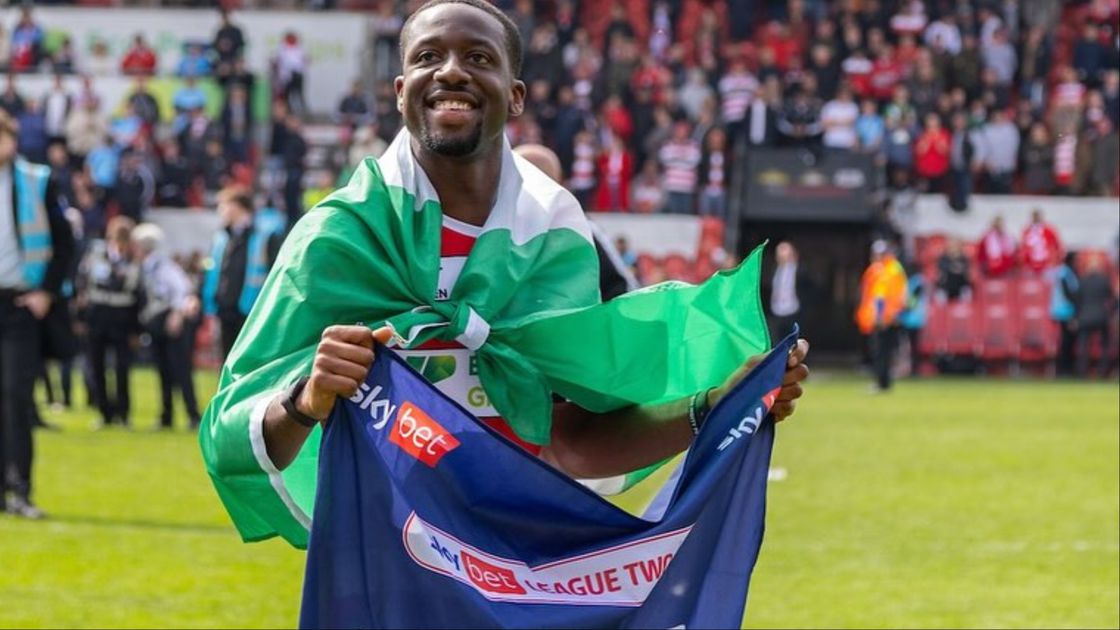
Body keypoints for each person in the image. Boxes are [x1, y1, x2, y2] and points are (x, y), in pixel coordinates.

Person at [202, 0, 809, 538]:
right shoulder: (338, 238)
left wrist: (718, 403)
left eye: (477, 56)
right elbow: (232, 435)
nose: (450, 71)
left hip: (509, 565)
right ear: (399, 89)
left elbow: (568, 440)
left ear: (515, 94)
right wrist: (305, 400)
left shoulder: (554, 240)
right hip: (383, 566)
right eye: (428, 56)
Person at [0, 113, 75, 519]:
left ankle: (20, 490)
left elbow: (65, 241)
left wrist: (46, 291)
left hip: (18, 305)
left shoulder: (35, 180)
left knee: (16, 396)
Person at [201, 186, 286, 359]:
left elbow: (275, 272)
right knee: (226, 360)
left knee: (248, 361)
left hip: (252, 309)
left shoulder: (265, 235)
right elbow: (211, 270)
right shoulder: (221, 237)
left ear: (237, 206)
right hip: (225, 309)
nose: (220, 211)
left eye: (224, 205)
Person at [132, 223, 201, 430]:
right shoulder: (145, 268)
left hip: (172, 323)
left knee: (180, 370)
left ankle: (193, 415)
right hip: (157, 325)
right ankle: (166, 416)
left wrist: (177, 315)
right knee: (162, 370)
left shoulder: (164, 267)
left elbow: (183, 291)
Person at [78, 216, 141, 428]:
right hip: (97, 317)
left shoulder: (134, 261)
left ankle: (123, 414)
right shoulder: (96, 255)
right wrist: (80, 317)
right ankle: (105, 413)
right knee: (97, 367)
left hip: (123, 319)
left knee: (122, 368)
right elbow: (84, 284)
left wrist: (136, 330)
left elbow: (137, 295)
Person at [856, 240, 907, 393]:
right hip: (884, 317)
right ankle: (883, 382)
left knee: (882, 351)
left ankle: (882, 383)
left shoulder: (887, 270)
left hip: (885, 318)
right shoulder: (889, 269)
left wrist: (881, 316)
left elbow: (882, 296)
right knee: (882, 351)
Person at [1075, 254, 1117, 378]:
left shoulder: (1083, 281)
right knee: (1105, 345)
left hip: (1085, 316)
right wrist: (1110, 313)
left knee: (1083, 345)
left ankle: (1082, 372)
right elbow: (1113, 300)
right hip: (1101, 316)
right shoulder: (1104, 280)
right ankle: (1102, 371)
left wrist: (1078, 314)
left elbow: (1077, 300)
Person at [767, 241, 805, 345]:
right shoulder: (774, 270)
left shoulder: (800, 271)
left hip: (794, 311)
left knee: (795, 344)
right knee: (777, 342)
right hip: (777, 311)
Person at [1050, 251, 1079, 377]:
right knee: (1066, 342)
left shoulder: (1067, 272)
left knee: (1068, 341)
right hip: (1064, 311)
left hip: (1065, 310)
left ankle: (1065, 369)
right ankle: (1063, 370)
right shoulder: (1064, 273)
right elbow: (1068, 293)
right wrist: (1078, 304)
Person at [1020, 209, 1062, 275]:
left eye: (1037, 216)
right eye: (1034, 216)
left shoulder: (1048, 230)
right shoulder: (1027, 231)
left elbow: (1057, 246)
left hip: (1046, 265)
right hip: (1031, 266)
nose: (1036, 218)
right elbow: (1024, 247)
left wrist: (1055, 261)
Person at [935, 237, 972, 301]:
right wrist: (954, 267)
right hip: (946, 287)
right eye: (952, 246)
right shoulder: (943, 258)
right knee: (939, 295)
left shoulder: (964, 259)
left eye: (955, 246)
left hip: (961, 286)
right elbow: (943, 270)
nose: (953, 248)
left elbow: (965, 272)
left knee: (967, 292)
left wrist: (953, 268)